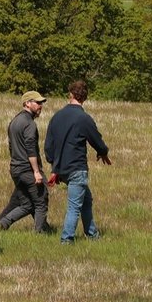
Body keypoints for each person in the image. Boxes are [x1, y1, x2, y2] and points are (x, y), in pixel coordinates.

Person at [44, 80, 112, 244]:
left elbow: (48, 145)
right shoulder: (84, 118)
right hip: (77, 168)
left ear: (70, 94)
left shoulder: (57, 116)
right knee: (74, 206)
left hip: (61, 168)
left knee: (86, 200)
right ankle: (66, 240)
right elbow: (97, 139)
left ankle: (92, 234)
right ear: (85, 98)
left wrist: (54, 165)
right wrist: (103, 152)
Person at [0, 91, 51, 232]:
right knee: (40, 202)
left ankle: (2, 224)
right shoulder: (29, 124)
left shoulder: (15, 121)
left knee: (27, 204)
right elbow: (31, 149)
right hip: (28, 170)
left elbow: (11, 146)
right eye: (37, 103)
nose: (40, 106)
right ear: (27, 103)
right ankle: (40, 233)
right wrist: (36, 172)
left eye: (41, 103)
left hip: (16, 169)